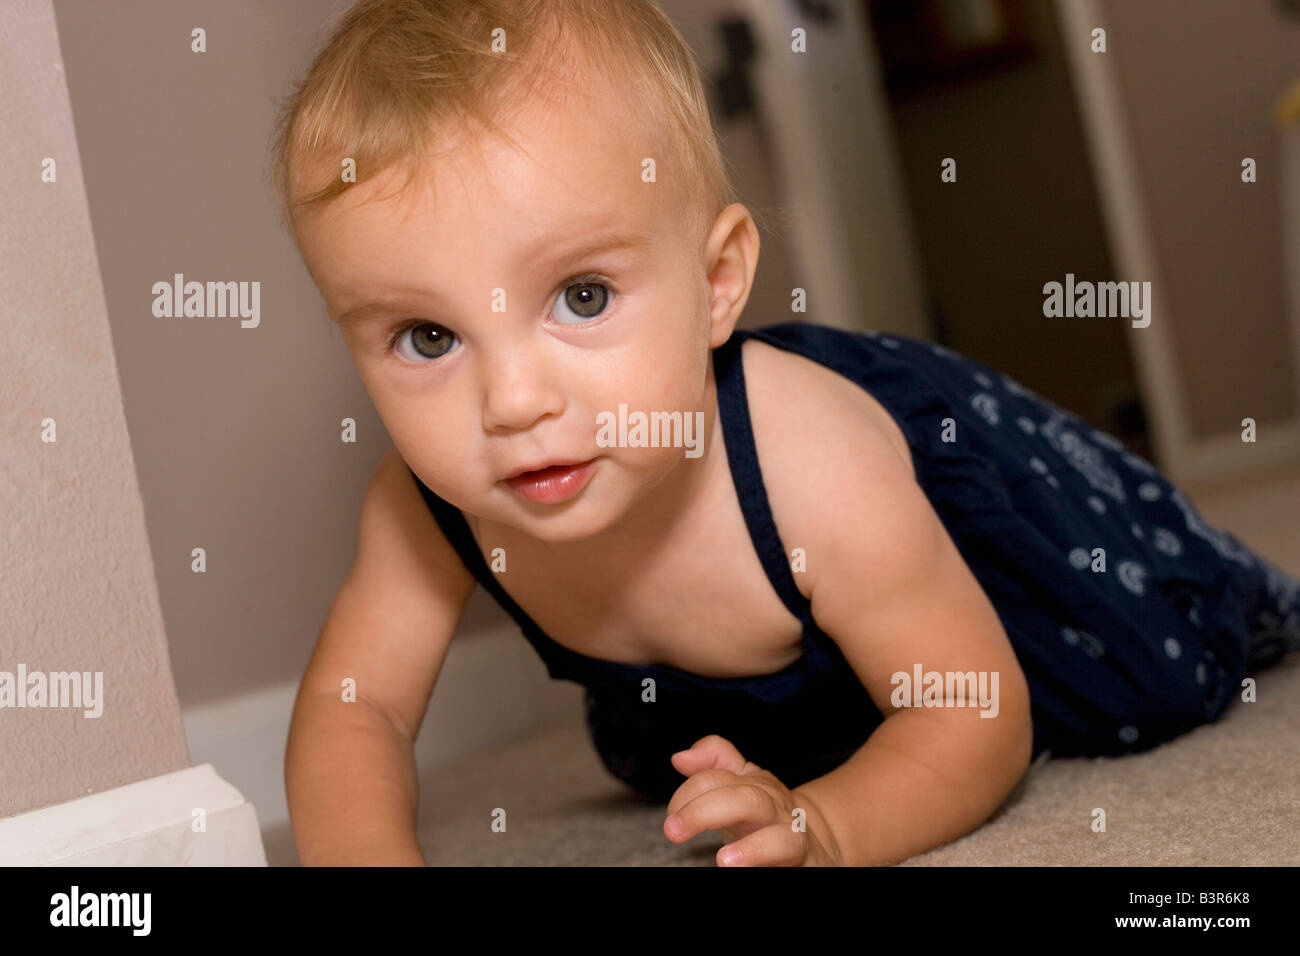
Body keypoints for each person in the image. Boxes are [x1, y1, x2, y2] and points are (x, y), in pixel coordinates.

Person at [274, 0, 1300, 866]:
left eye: (582, 296)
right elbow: (355, 710)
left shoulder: (811, 456)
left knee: (1161, 662)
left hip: (993, 611)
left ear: (717, 283)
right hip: (770, 682)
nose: (511, 399)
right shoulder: (422, 509)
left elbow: (975, 713)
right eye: (426, 334)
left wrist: (825, 821)